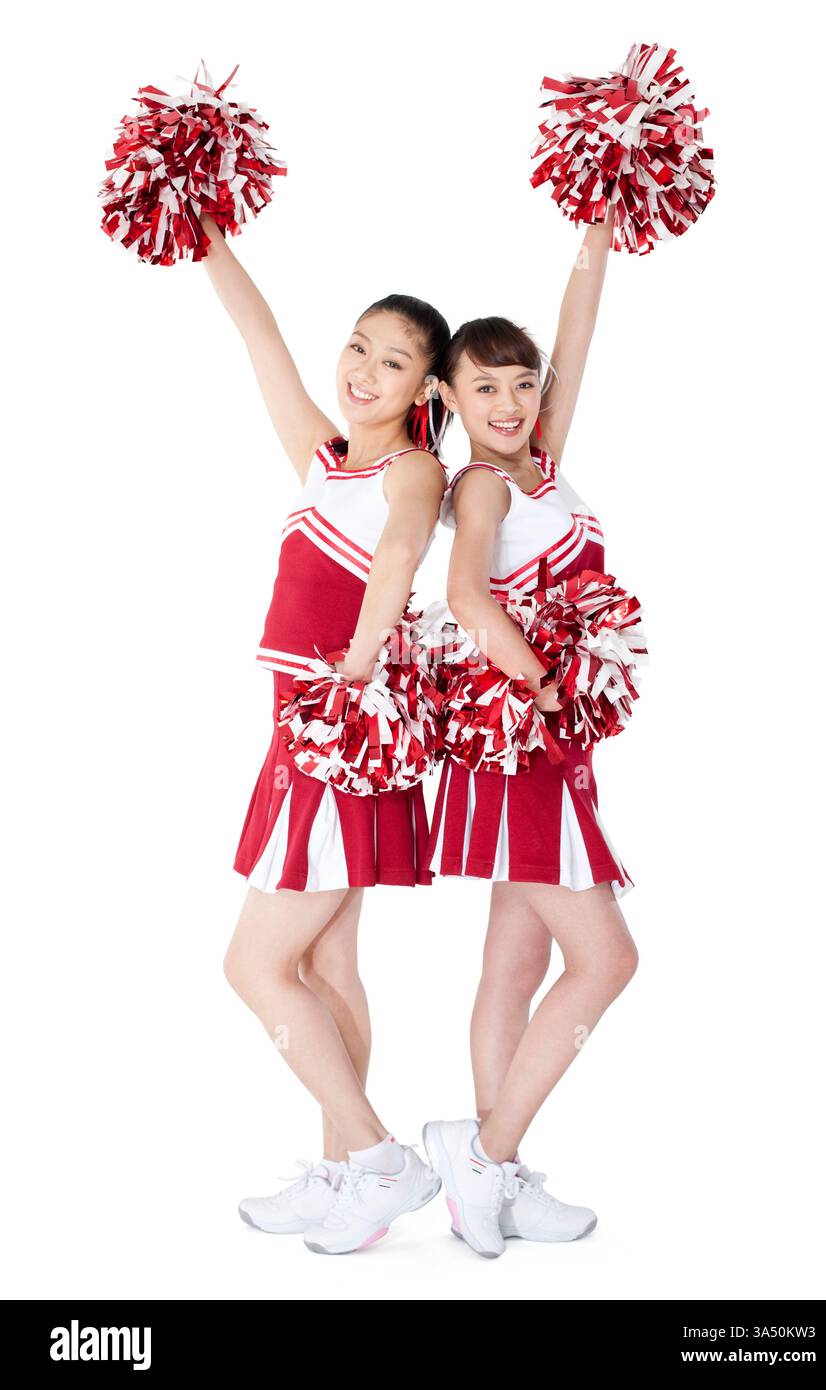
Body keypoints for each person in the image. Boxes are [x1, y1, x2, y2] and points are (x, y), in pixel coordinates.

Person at [200, 211, 448, 1253]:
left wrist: (355, 660)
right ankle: (349, 1173)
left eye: (392, 362)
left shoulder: (412, 472)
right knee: (328, 964)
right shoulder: (325, 458)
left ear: (423, 391)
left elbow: (395, 557)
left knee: (253, 966)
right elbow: (259, 337)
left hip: (336, 729)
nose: (361, 370)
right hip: (302, 724)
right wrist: (202, 229)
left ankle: (378, 1153)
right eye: (356, 344)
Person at [422, 211, 641, 1257]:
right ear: (450, 402)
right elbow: (467, 593)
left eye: (521, 384)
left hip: (551, 746)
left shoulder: (542, 461)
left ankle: (490, 1186)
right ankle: (487, 1153)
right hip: (523, 739)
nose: (508, 403)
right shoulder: (478, 482)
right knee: (604, 959)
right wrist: (542, 684)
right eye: (484, 388)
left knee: (513, 962)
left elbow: (579, 319)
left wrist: (599, 212)